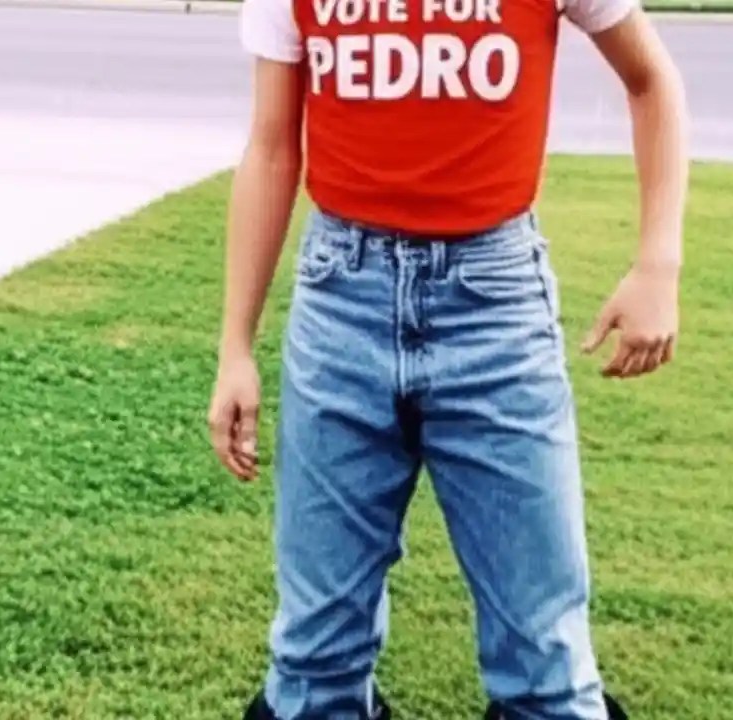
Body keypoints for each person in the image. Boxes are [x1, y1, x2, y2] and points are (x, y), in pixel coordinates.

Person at [210, 0, 689, 716]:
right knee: (314, 665)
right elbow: (273, 146)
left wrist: (658, 263)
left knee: (546, 664)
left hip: (494, 308)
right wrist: (235, 347)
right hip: (341, 302)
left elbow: (652, 80)